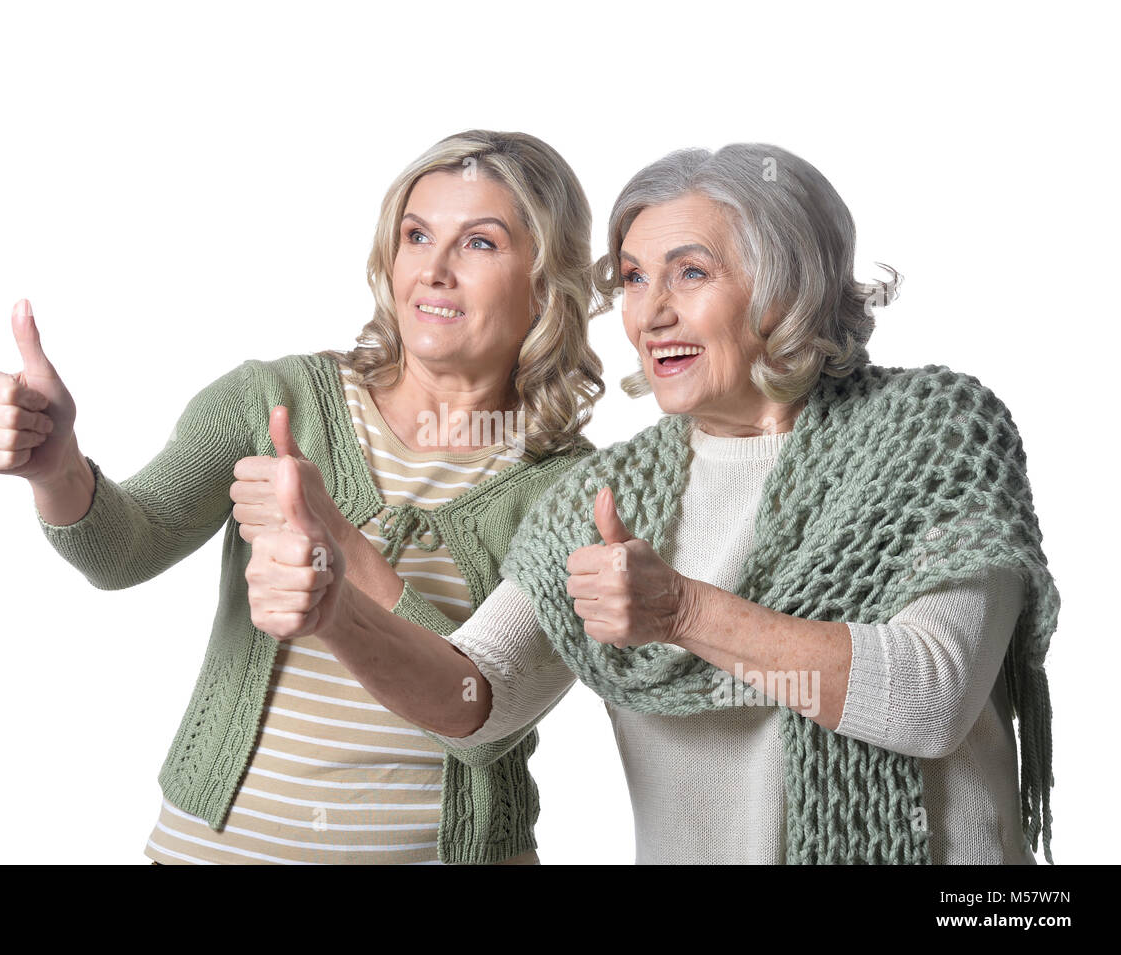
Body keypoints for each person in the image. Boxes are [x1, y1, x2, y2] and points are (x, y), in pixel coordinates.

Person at [246, 142, 1061, 864]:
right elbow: (476, 699)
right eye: (635, 277)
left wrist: (681, 611)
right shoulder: (602, 494)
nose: (651, 312)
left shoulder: (932, 430)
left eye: (691, 273)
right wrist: (337, 609)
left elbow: (929, 698)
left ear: (786, 288)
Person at [0, 129, 605, 864]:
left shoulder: (576, 495)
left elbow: (479, 714)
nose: (433, 270)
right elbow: (123, 550)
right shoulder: (275, 401)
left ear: (545, 282)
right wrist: (56, 468)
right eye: (417, 236)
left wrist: (346, 551)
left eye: (480, 244)